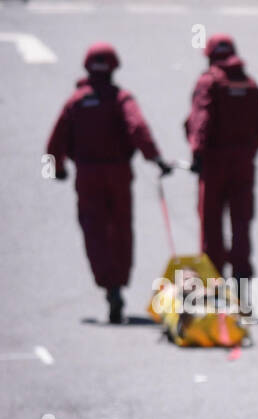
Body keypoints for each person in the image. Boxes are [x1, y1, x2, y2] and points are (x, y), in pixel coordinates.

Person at [46, 43, 173, 323]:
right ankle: (118, 283)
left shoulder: (76, 101)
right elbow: (138, 128)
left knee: (94, 231)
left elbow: (54, 141)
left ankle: (109, 288)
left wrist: (55, 170)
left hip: (88, 175)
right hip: (118, 174)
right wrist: (157, 159)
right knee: (120, 230)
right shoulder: (121, 99)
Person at [185, 34, 258, 280]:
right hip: (243, 165)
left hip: (214, 165)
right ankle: (243, 287)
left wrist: (197, 153)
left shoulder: (209, 83)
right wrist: (248, 151)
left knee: (211, 226)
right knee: (241, 224)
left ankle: (214, 290)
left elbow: (201, 119)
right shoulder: (249, 84)